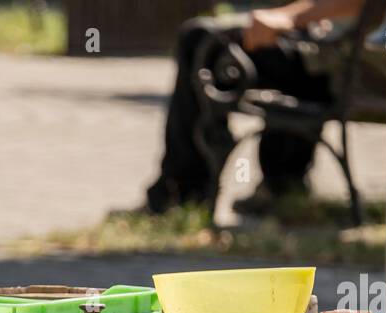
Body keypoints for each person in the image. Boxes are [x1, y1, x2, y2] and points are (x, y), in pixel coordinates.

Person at [144, 0, 368, 215]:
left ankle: (181, 189)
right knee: (229, 45)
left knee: (199, 39)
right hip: (346, 66)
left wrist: (287, 17)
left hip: (332, 67)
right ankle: (282, 184)